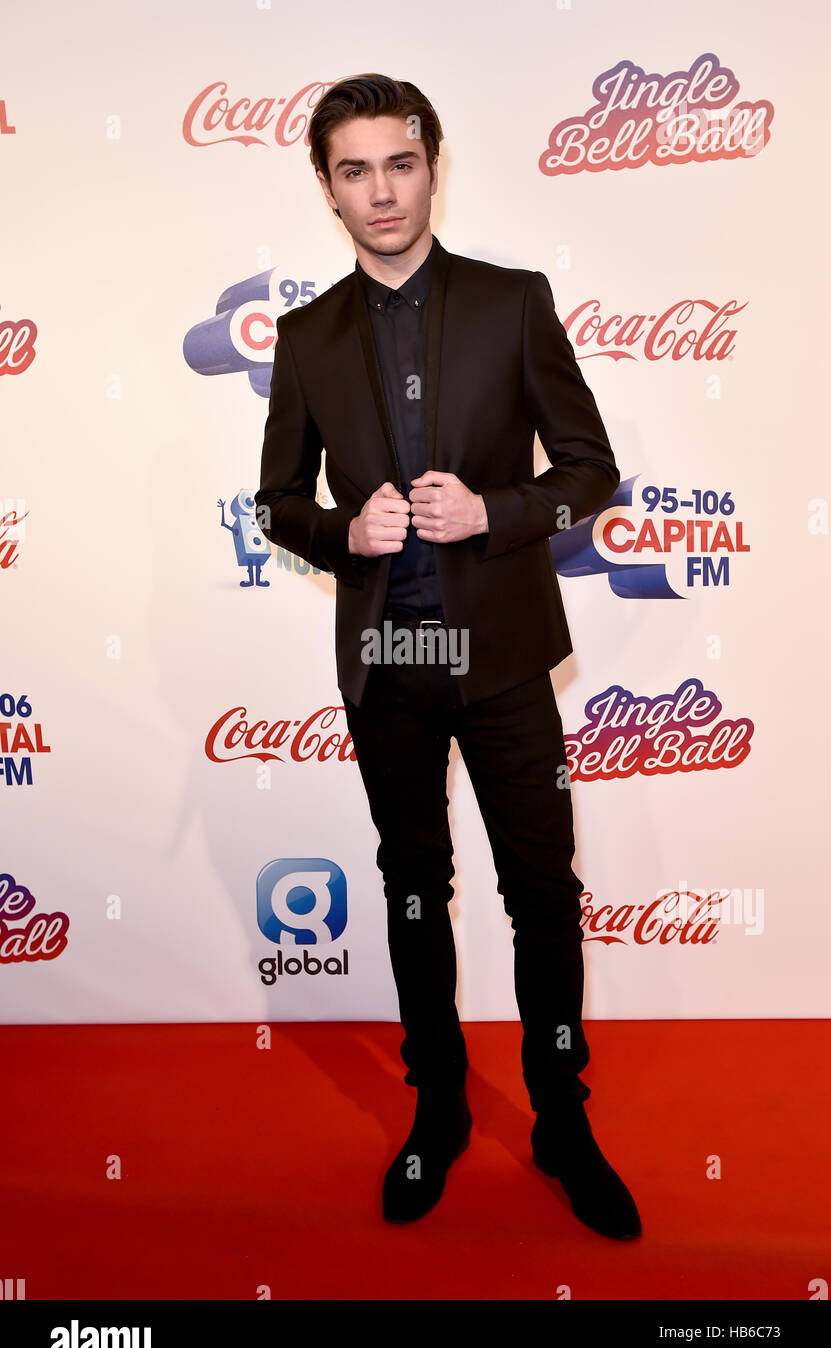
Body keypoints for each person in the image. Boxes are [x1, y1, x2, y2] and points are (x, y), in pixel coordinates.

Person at [255, 73, 641, 1240]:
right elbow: (277, 501)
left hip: (508, 655)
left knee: (544, 897)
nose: (382, 190)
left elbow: (589, 468)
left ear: (434, 164)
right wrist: (341, 531)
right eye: (355, 169)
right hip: (390, 664)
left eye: (400, 163)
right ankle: (437, 1109)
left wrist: (497, 512)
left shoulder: (512, 301)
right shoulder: (309, 334)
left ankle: (562, 1119)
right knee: (413, 889)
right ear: (327, 188)